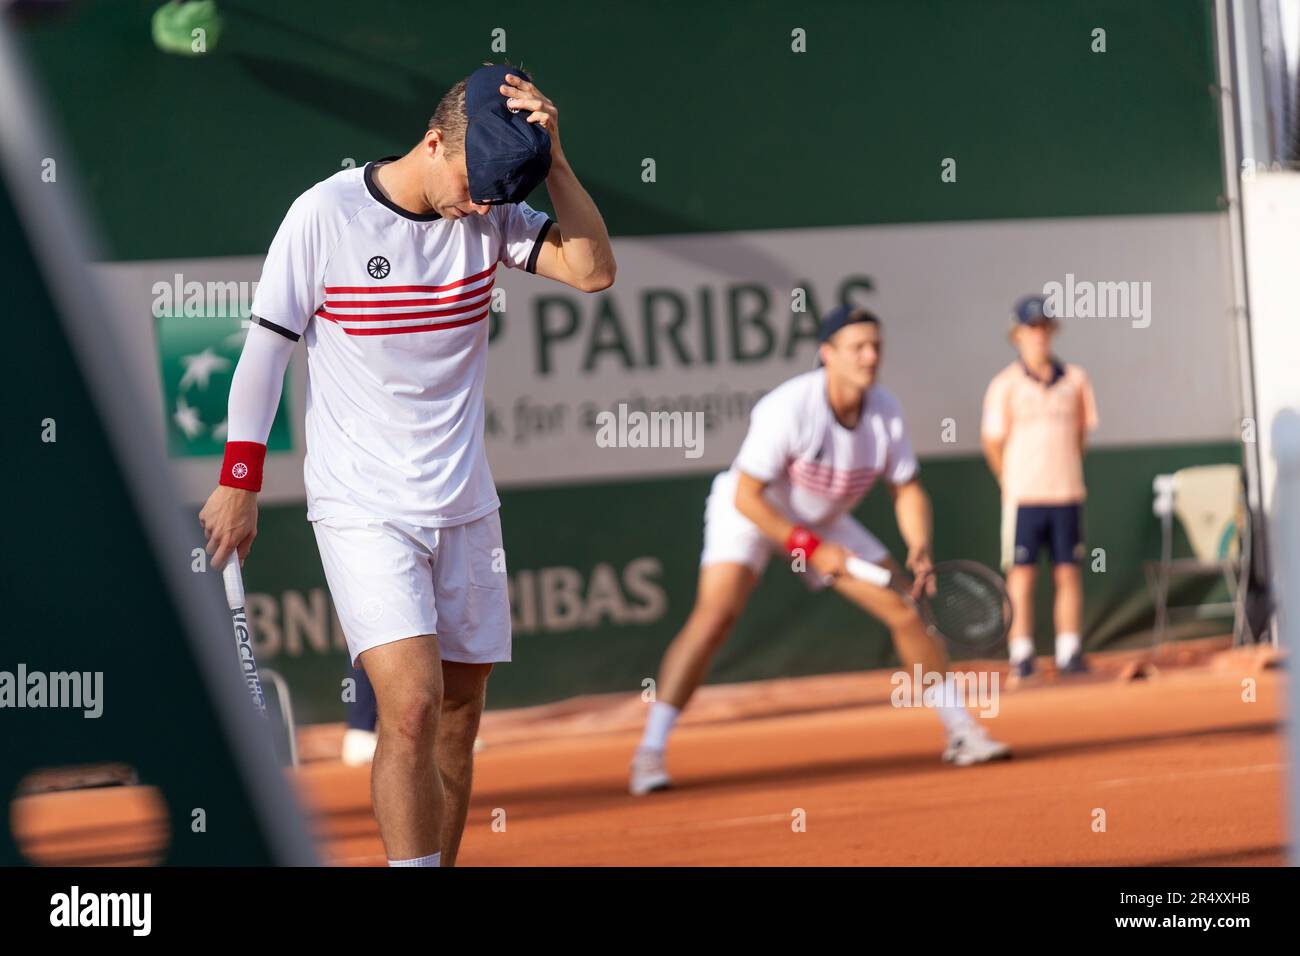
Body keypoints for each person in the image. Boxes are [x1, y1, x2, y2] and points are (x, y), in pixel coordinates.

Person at [200, 63, 615, 865]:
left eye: (496, 192)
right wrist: (239, 482)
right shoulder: (324, 215)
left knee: (460, 716)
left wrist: (556, 163)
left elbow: (593, 271)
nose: (480, 205)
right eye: (472, 185)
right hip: (363, 505)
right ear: (432, 141)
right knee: (414, 707)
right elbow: (265, 355)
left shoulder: (488, 212)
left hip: (466, 503)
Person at [629, 306, 1011, 795]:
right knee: (715, 617)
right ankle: (649, 753)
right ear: (827, 355)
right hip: (751, 512)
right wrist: (807, 546)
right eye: (858, 347)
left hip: (825, 518)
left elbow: (907, 489)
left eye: (876, 346)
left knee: (907, 609)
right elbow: (747, 494)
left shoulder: (886, 411)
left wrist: (919, 545)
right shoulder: (789, 408)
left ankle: (962, 732)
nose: (870, 356)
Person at [981, 294, 1098, 682]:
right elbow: (992, 441)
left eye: (1045, 327)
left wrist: (1063, 468)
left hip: (1066, 494)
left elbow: (1081, 433)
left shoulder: (1076, 379)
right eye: (1031, 328)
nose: (1039, 335)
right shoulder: (1004, 385)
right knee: (1022, 575)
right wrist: (1009, 481)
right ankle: (1022, 654)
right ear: (1017, 335)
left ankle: (1069, 650)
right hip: (1024, 498)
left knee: (1068, 573)